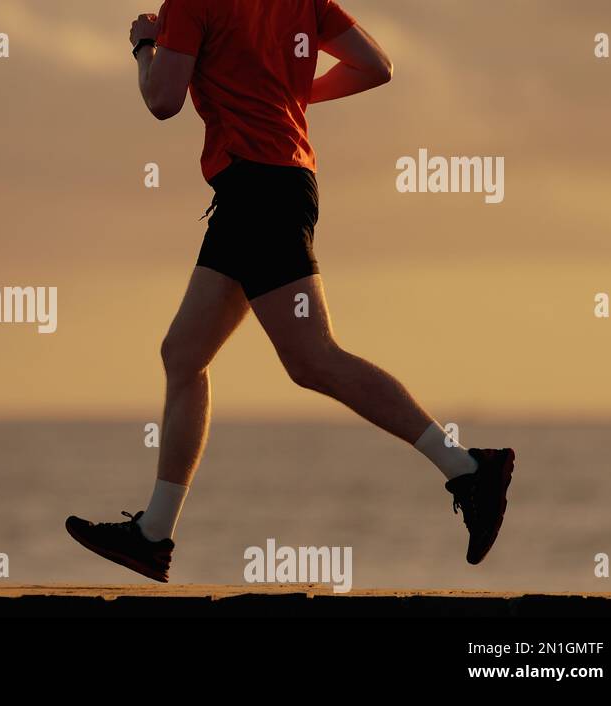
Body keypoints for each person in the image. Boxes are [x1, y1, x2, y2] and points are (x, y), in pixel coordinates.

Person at [65, 0, 515, 583]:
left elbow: (162, 100)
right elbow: (376, 66)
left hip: (256, 189)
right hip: (279, 183)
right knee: (184, 354)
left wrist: (143, 46)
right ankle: (154, 534)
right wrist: (296, 99)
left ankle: (467, 468)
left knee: (313, 358)